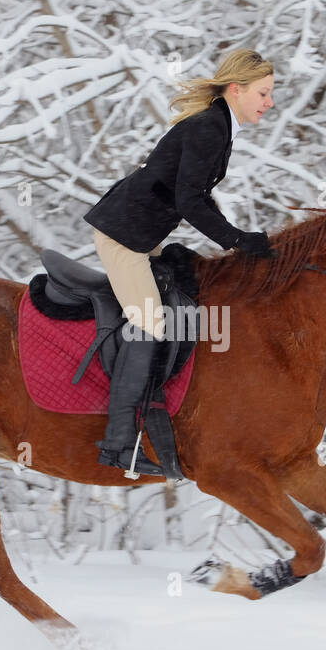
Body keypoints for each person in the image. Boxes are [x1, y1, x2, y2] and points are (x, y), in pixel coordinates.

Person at [83, 48, 277, 477]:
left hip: (141, 234)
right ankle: (117, 445)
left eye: (270, 94)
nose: (269, 102)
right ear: (236, 89)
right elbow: (188, 200)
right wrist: (236, 240)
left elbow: (195, 195)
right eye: (263, 93)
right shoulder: (210, 128)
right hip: (124, 236)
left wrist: (237, 239)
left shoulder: (219, 127)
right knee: (151, 323)